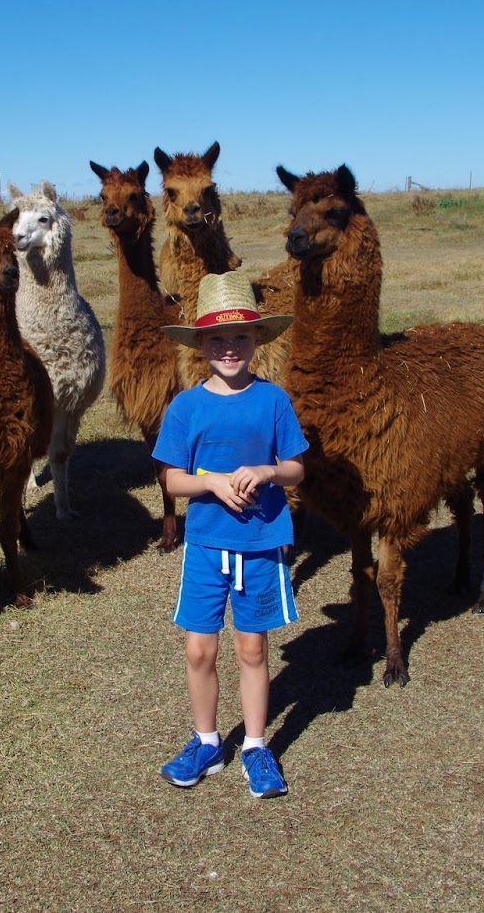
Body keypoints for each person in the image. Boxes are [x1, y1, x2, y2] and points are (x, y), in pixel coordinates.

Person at [152, 271, 308, 798]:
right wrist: (213, 482)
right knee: (199, 650)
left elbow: (296, 469)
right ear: (200, 344)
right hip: (205, 546)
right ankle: (206, 742)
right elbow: (172, 479)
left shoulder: (273, 401)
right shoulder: (186, 407)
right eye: (217, 338)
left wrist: (267, 471)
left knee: (252, 649)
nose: (229, 347)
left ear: (257, 339)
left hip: (260, 545)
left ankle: (257, 747)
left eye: (240, 336)